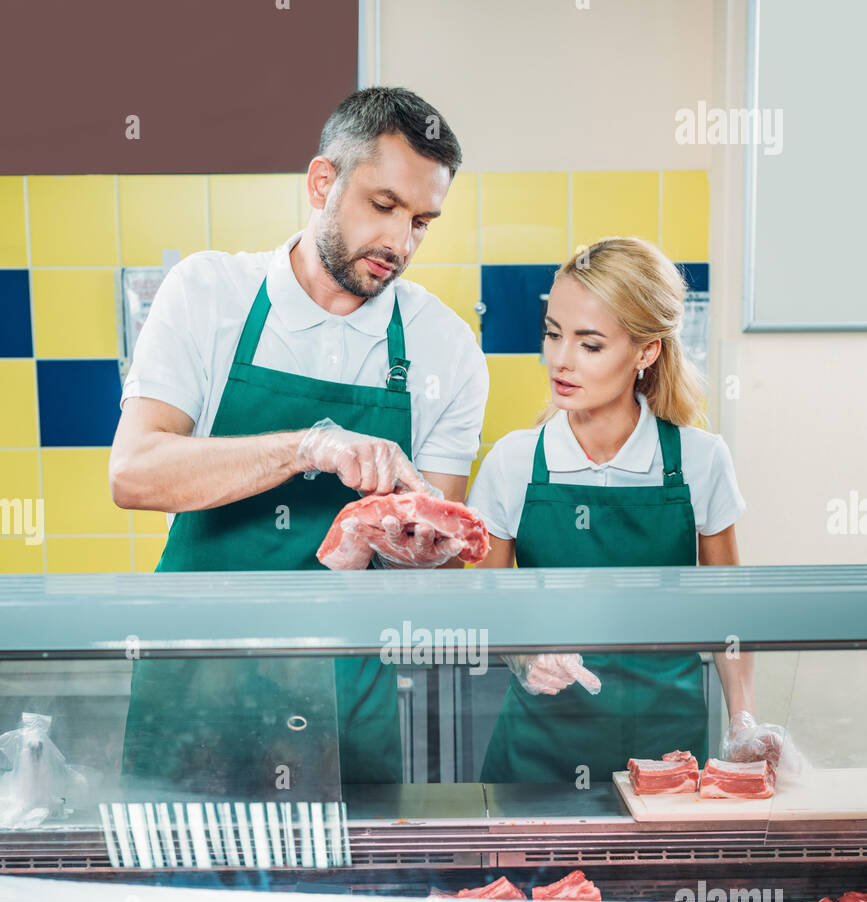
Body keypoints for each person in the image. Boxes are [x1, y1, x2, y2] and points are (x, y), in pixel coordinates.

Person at [109, 87, 487, 793]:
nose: (399, 244)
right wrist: (309, 447)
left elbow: (440, 567)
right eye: (383, 207)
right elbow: (133, 473)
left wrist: (404, 535)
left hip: (349, 693)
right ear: (321, 182)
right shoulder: (209, 294)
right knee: (179, 900)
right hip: (198, 678)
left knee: (346, 899)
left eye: (421, 222)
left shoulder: (446, 349)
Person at [470, 236, 775, 787]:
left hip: (668, 753)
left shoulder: (700, 461)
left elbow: (731, 612)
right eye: (553, 334)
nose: (560, 360)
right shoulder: (515, 461)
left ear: (646, 352)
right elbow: (482, 609)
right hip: (537, 753)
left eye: (589, 345)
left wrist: (744, 720)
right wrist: (522, 659)